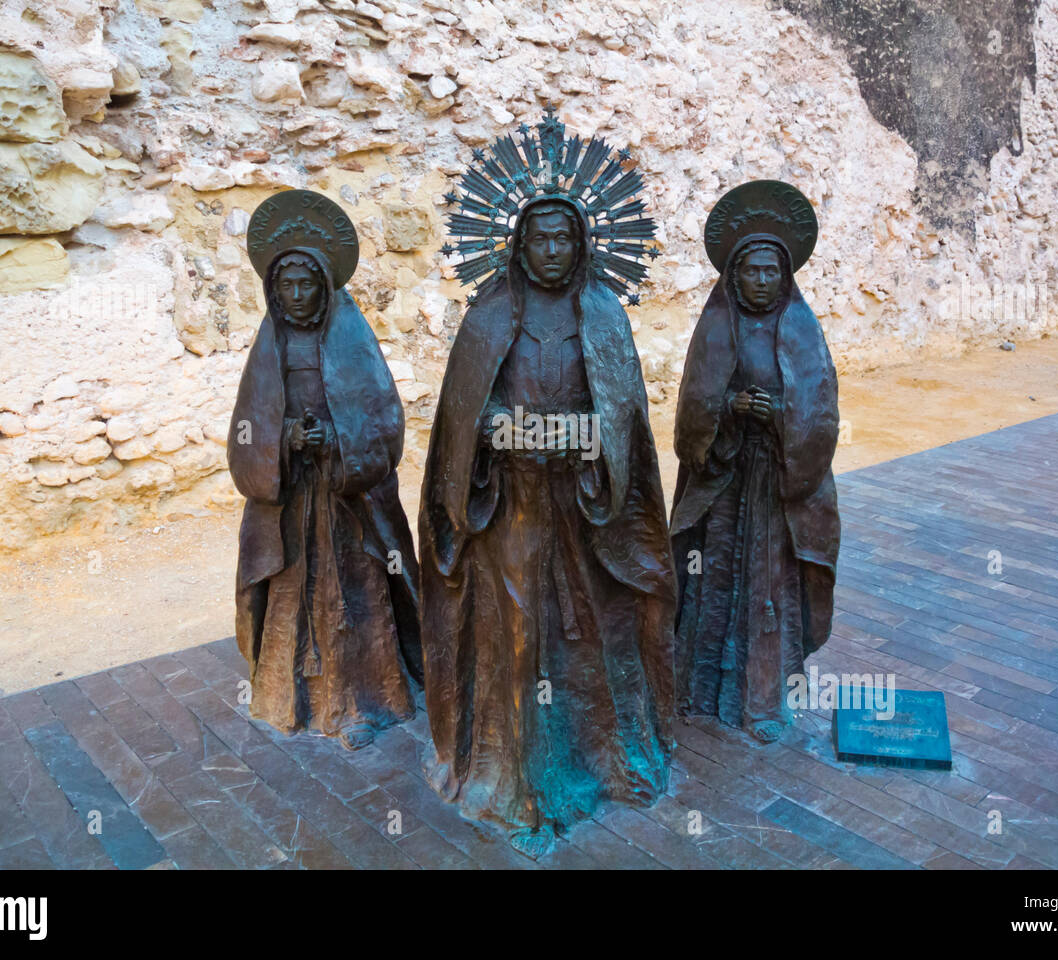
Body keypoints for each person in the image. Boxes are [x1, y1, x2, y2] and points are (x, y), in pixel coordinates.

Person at [420, 144, 677, 859]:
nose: (554, 249)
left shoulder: (603, 314)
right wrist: (500, 432)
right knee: (516, 631)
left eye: (566, 236)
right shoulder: (488, 319)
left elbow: (626, 419)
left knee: (592, 629)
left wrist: (586, 437)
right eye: (541, 236)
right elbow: (460, 424)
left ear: (584, 243)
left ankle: (601, 763)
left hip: (588, 508)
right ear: (519, 242)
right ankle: (513, 778)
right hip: (509, 506)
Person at [228, 192, 422, 749]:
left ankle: (364, 702)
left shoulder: (353, 339)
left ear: (325, 286)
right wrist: (284, 439)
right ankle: (286, 699)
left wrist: (337, 440)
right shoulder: (268, 346)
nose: (294, 295)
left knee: (355, 596)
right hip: (291, 499)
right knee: (293, 593)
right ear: (272, 288)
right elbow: (245, 431)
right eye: (285, 284)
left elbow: (384, 421)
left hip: (347, 502)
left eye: (306, 284)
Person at [671, 180, 840, 744]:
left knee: (768, 585)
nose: (763, 281)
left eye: (773, 272)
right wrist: (730, 410)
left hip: (776, 485)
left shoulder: (803, 330)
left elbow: (819, 415)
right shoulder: (717, 327)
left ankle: (763, 697)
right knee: (712, 578)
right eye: (752, 272)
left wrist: (778, 417)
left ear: (785, 276)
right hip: (724, 480)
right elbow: (692, 414)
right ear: (734, 275)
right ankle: (701, 691)